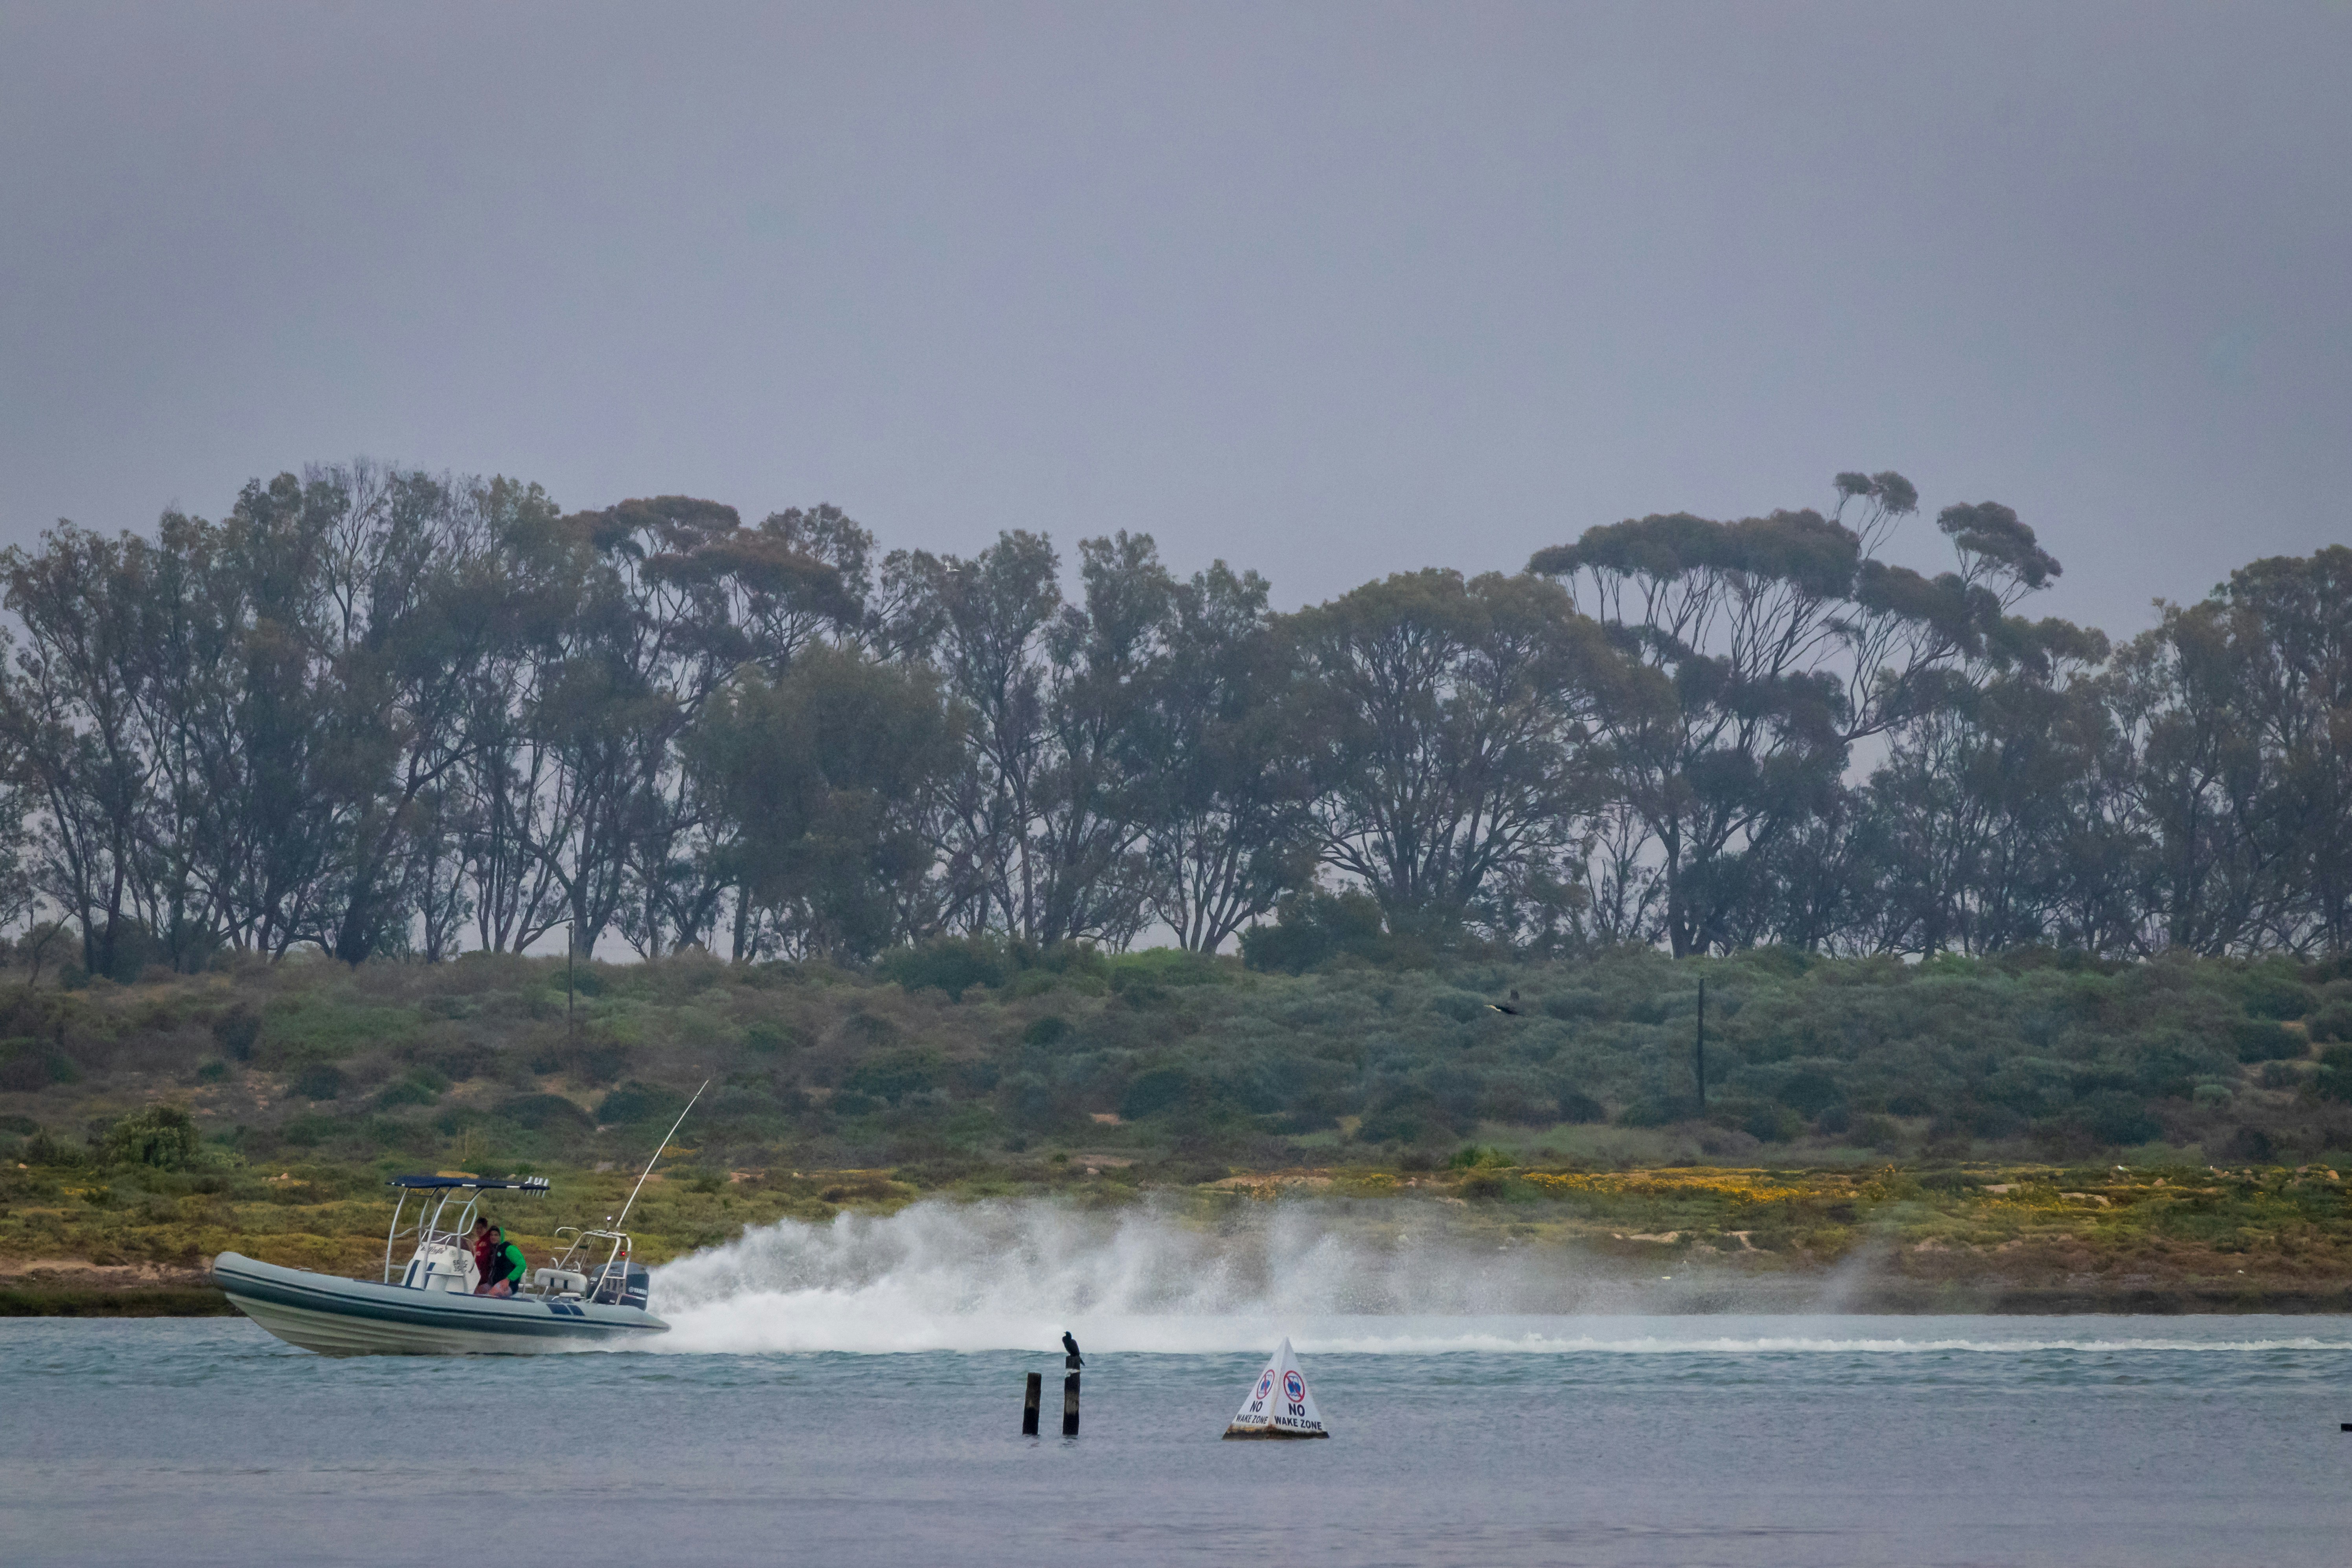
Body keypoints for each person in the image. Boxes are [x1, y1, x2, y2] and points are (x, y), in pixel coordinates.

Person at [482, 1225, 528, 1298]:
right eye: (491, 1235)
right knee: (476, 1292)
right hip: (493, 1283)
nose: (493, 1237)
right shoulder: (494, 1249)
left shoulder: (510, 1249)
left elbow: (522, 1265)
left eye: (496, 1235)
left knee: (491, 1296)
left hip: (508, 1284)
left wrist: (508, 1279)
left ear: (501, 1236)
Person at [469, 1218, 496, 1294]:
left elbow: (485, 1260)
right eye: (477, 1228)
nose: (479, 1230)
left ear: (486, 1228)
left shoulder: (489, 1241)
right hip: (478, 1277)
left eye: (481, 1228)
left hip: (486, 1279)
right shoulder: (478, 1243)